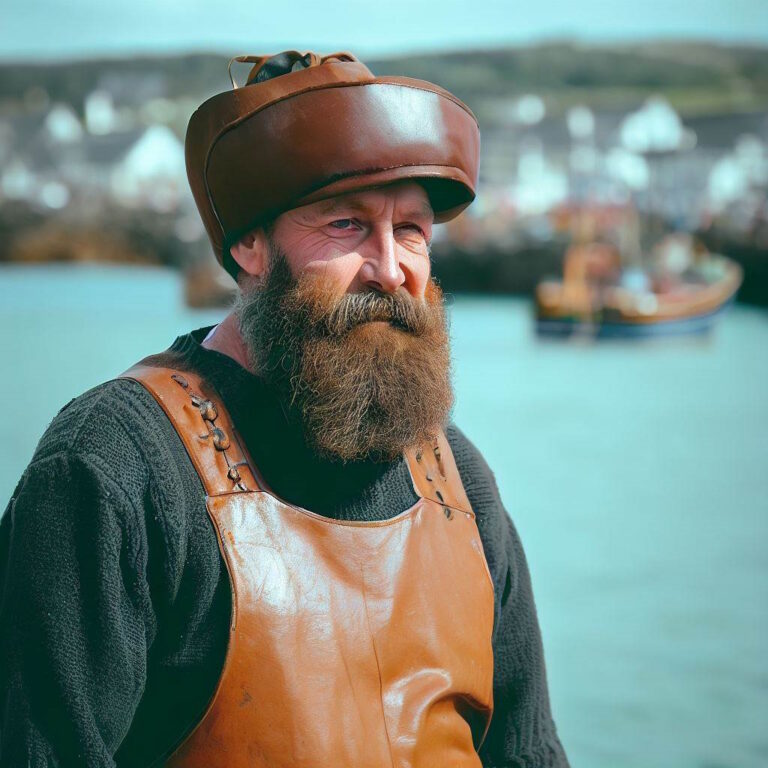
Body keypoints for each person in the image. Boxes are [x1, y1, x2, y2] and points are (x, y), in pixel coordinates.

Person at [0, 51, 570, 768]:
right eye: (345, 225)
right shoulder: (114, 467)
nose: (392, 269)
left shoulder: (459, 482)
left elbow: (529, 754)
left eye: (413, 230)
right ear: (249, 243)